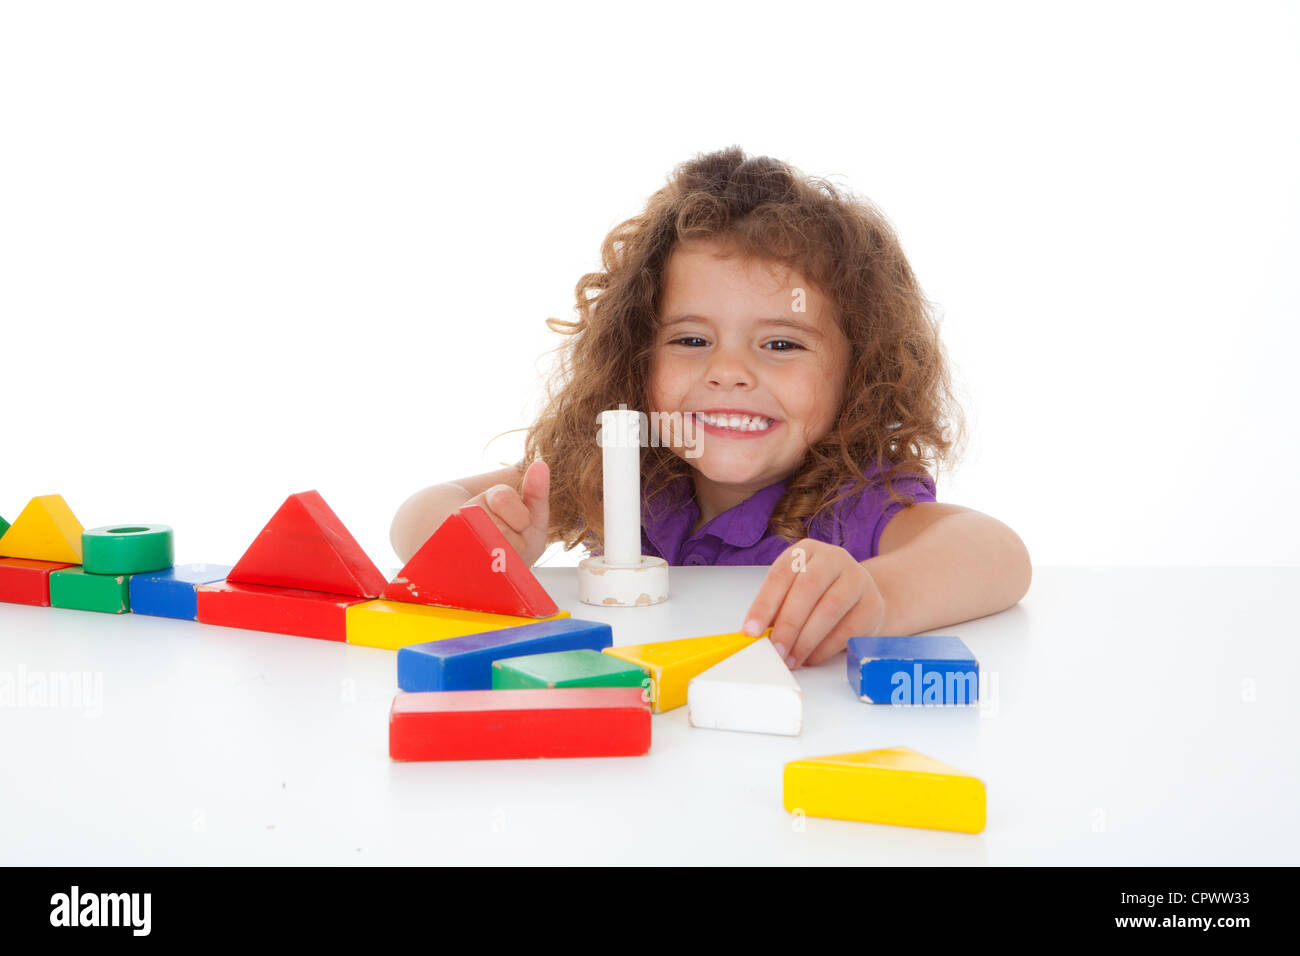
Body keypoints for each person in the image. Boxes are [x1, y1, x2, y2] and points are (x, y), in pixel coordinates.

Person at [391, 146, 1031, 669]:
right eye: (691, 340)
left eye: (781, 343)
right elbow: (419, 516)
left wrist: (879, 596)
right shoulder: (620, 473)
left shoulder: (855, 503)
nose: (727, 372)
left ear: (860, 373)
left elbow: (997, 553)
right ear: (636, 357)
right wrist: (490, 542)